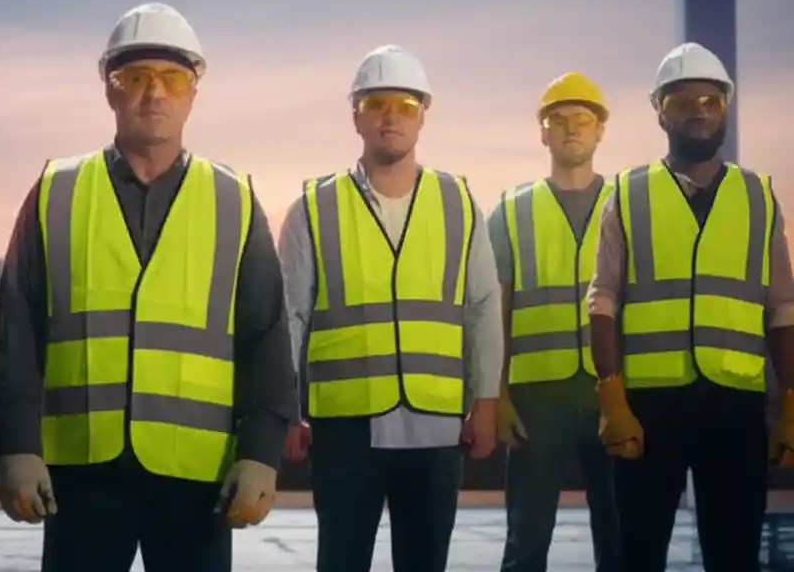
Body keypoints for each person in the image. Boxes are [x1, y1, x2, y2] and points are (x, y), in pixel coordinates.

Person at [0, 2, 297, 572]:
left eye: (171, 79)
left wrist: (260, 454)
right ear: (109, 90)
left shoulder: (232, 199)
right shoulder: (57, 192)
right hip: (79, 472)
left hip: (198, 476)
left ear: (193, 93)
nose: (154, 94)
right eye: (135, 78)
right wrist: (17, 445)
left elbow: (266, 335)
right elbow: (17, 330)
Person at [279, 44, 503, 572]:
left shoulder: (458, 202)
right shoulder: (315, 207)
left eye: (405, 104)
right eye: (377, 103)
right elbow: (290, 317)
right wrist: (288, 410)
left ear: (424, 115)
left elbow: (484, 308)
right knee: (341, 561)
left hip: (435, 425)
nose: (391, 116)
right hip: (345, 428)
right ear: (356, 114)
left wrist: (487, 403)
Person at [589, 42, 794, 571]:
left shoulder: (758, 197)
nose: (698, 110)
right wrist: (612, 399)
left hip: (736, 405)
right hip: (648, 408)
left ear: (726, 107)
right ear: (659, 111)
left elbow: (783, 309)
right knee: (639, 553)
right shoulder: (628, 194)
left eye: (710, 99)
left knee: (734, 554)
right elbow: (603, 301)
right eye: (682, 101)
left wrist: (791, 403)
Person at [490, 72, 620, 571]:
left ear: (600, 130)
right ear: (542, 132)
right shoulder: (510, 210)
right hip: (535, 400)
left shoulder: (626, 205)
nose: (571, 129)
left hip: (611, 393)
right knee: (526, 537)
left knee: (619, 532)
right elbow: (494, 309)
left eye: (583, 119)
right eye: (558, 119)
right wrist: (495, 396)